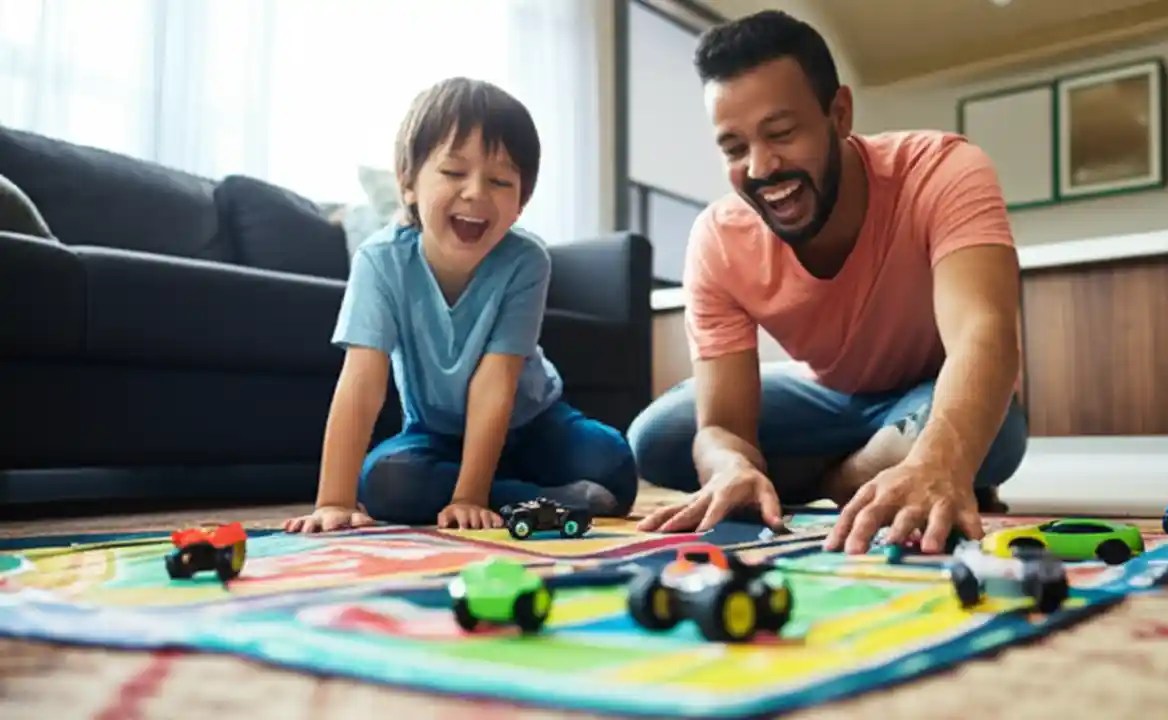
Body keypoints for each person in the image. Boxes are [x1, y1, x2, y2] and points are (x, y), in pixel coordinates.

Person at [627, 11, 1027, 555]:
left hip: (927, 391)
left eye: (782, 134)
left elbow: (986, 333)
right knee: (657, 438)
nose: (762, 167)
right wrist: (731, 468)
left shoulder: (944, 170)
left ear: (838, 114)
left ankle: (832, 481)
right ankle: (862, 470)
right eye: (734, 148)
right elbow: (722, 426)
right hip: (822, 393)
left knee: (991, 434)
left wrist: (938, 461)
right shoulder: (718, 237)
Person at [285, 78, 637, 534]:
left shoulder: (526, 261)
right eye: (453, 173)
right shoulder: (380, 260)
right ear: (408, 184)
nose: (475, 192)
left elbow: (497, 381)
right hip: (436, 433)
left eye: (499, 181)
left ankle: (501, 488)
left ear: (521, 203)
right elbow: (362, 381)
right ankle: (547, 500)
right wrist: (332, 499)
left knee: (614, 466)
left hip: (533, 421)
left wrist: (470, 495)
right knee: (386, 482)